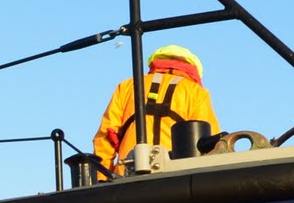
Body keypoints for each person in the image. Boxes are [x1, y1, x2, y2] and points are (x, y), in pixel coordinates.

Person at [92, 44, 220, 176]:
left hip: (127, 176)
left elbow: (105, 138)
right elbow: (209, 143)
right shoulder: (196, 92)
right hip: (177, 177)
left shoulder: (127, 87)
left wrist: (103, 178)